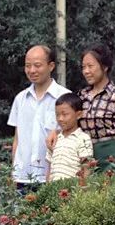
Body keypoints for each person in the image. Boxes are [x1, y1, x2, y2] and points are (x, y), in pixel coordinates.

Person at [47, 44, 115, 172]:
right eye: (83, 67)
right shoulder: (81, 96)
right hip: (85, 158)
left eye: (90, 66)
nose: (86, 71)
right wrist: (54, 131)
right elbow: (70, 123)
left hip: (112, 158)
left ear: (104, 67)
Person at [7, 45, 71, 192]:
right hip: (22, 178)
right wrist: (13, 173)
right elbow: (17, 139)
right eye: (28, 66)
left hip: (54, 178)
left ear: (51, 66)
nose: (32, 70)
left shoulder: (66, 97)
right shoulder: (20, 99)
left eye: (37, 65)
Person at [46, 93, 93, 182]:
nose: (60, 118)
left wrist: (82, 190)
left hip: (72, 190)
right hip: (54, 190)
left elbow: (86, 169)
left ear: (78, 115)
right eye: (57, 115)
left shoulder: (83, 138)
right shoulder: (54, 139)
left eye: (65, 114)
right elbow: (49, 168)